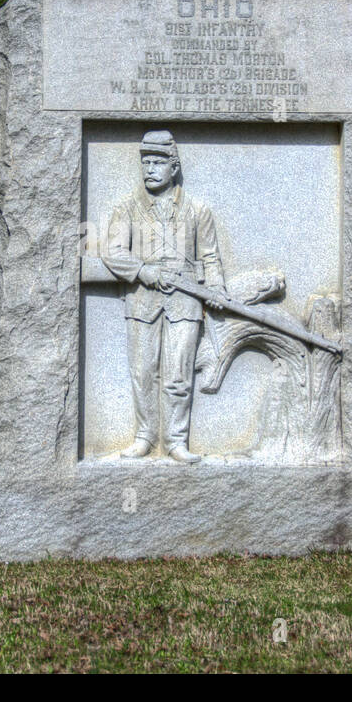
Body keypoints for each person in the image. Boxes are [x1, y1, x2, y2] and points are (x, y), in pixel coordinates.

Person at [102, 130, 227, 463]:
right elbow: (113, 252)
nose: (150, 169)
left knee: (178, 375)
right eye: (146, 163)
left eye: (158, 162)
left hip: (186, 303)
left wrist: (216, 290)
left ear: (174, 167)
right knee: (142, 373)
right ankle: (144, 437)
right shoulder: (126, 208)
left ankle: (175, 441)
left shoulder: (198, 210)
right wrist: (144, 271)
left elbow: (210, 257)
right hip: (142, 301)